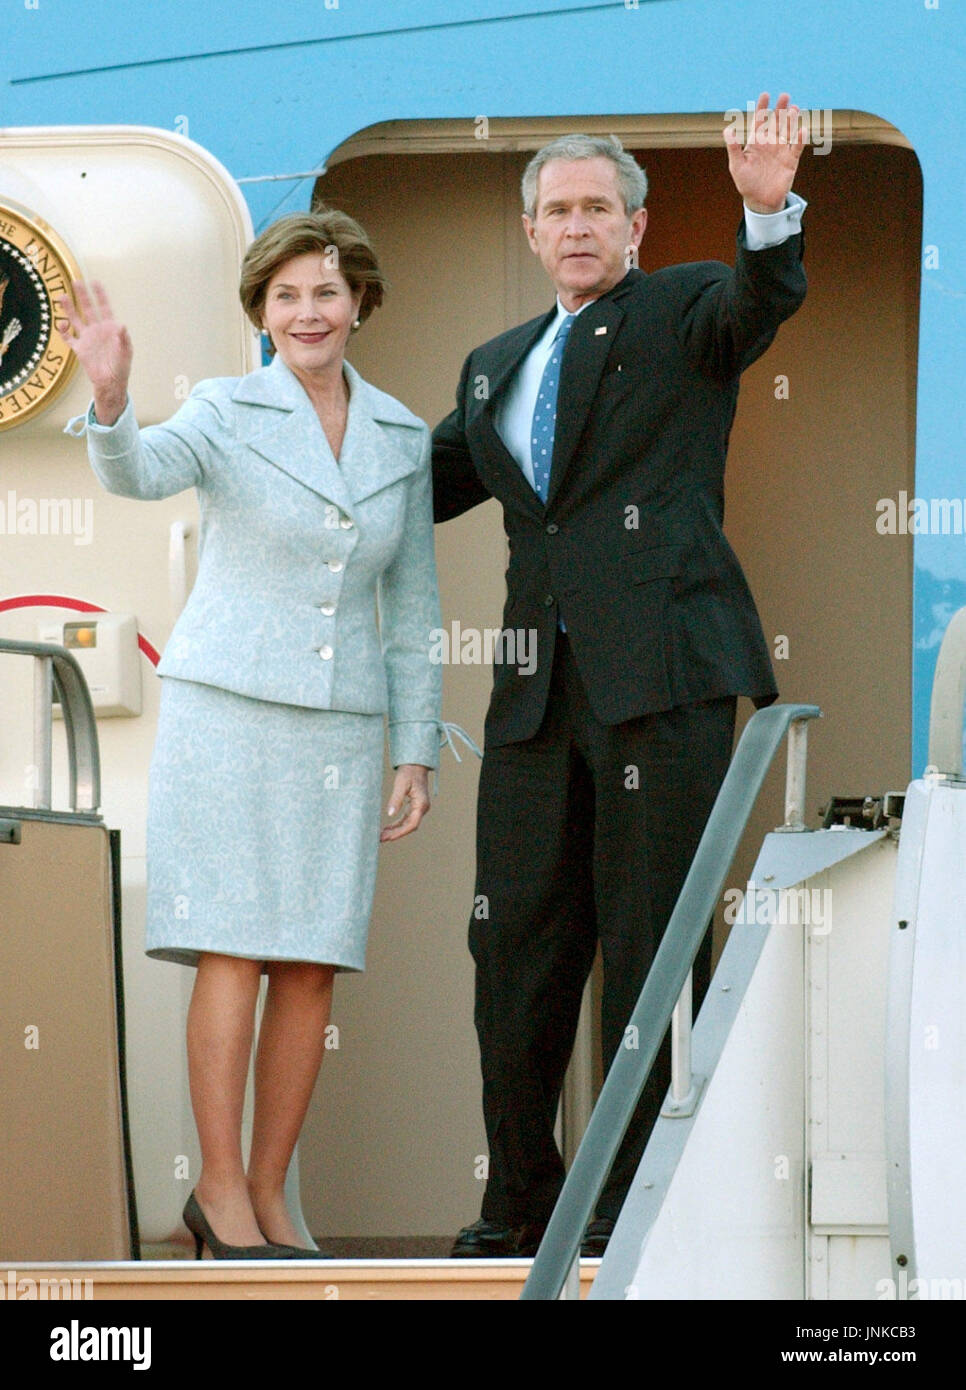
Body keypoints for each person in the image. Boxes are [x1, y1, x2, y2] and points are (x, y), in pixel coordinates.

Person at [432, 94, 808, 1258]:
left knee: (650, 943)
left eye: (601, 206)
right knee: (515, 948)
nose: (579, 225)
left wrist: (766, 213)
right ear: (532, 230)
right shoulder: (493, 365)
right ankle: (522, 1203)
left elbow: (761, 301)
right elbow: (406, 486)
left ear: (637, 226)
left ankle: (634, 1198)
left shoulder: (689, 303)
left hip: (666, 680)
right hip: (537, 698)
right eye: (558, 210)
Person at [62, 209, 443, 1259]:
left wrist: (416, 744)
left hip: (340, 730)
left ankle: (274, 1195)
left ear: (359, 301)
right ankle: (219, 1191)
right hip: (225, 709)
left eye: (326, 291)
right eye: (286, 296)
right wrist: (107, 398)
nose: (308, 312)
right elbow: (138, 471)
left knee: (311, 963)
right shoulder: (226, 410)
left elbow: (412, 607)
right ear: (260, 314)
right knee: (231, 948)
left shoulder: (405, 436)